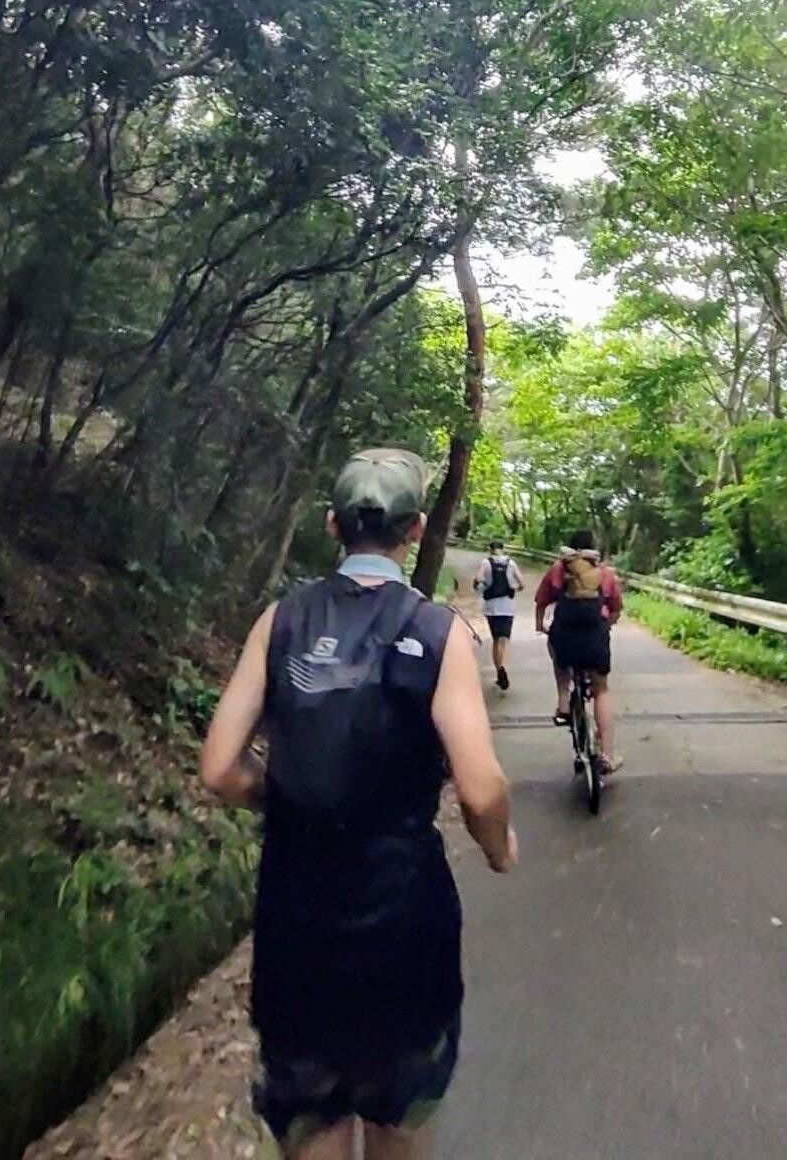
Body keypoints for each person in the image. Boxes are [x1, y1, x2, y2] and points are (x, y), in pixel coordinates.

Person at [200, 447, 517, 1160]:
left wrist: (283, 796)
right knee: (400, 1116)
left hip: (296, 920)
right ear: (412, 532)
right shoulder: (439, 633)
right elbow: (481, 786)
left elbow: (219, 769)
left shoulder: (277, 621)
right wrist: (499, 848)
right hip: (404, 919)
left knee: (314, 1116)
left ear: (330, 524)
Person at [534, 528, 623, 777]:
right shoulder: (605, 573)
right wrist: (606, 625)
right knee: (601, 690)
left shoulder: (558, 569)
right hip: (595, 635)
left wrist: (540, 625)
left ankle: (563, 703)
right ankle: (606, 755)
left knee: (557, 651)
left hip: (565, 634)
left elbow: (541, 601)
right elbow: (616, 609)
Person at [473, 540, 524, 691]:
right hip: (507, 606)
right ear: (502, 549)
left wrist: (483, 586)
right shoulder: (511, 563)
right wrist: (513, 588)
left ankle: (499, 669)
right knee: (503, 640)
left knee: (496, 640)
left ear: (490, 550)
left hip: (491, 607)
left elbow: (479, 579)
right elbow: (522, 583)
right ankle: (501, 667)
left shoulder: (486, 563)